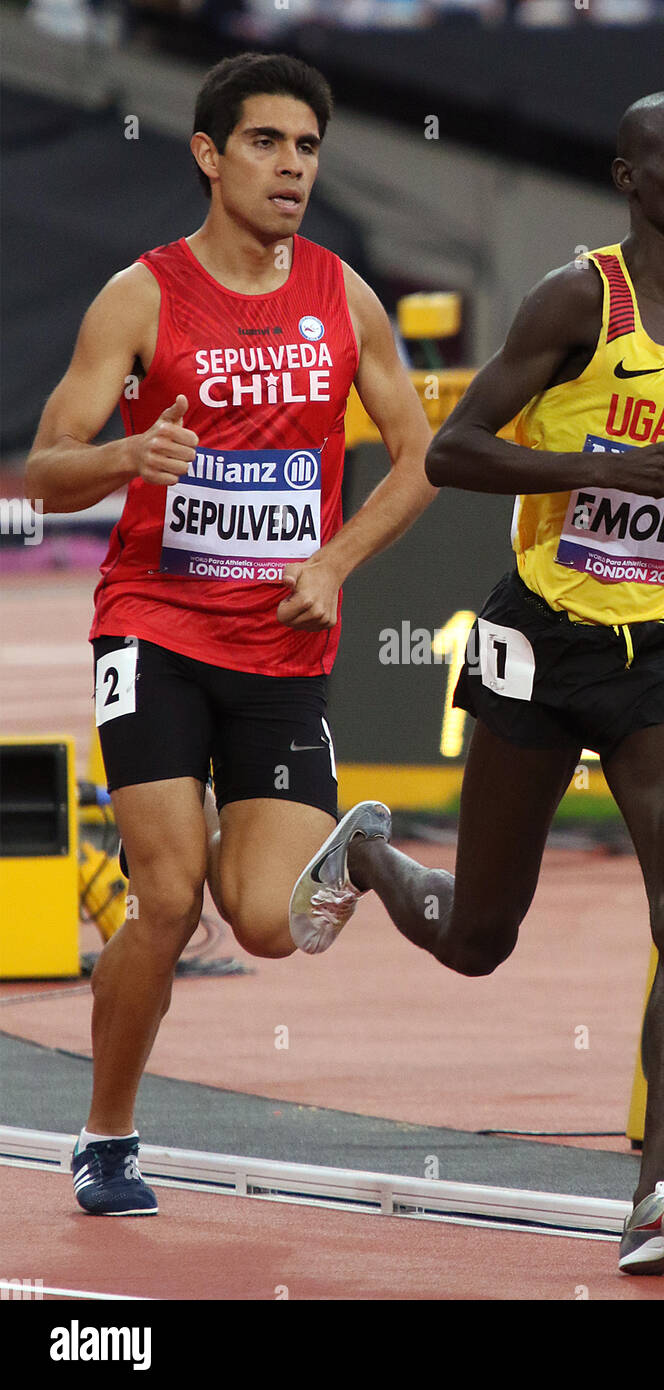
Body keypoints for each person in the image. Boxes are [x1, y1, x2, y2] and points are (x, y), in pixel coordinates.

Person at [289, 90, 664, 1275]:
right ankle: (372, 853)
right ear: (627, 176)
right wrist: (599, 464)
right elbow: (451, 449)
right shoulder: (577, 297)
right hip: (546, 636)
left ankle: (654, 1197)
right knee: (478, 935)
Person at [24, 51, 435, 1215]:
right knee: (167, 900)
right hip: (152, 632)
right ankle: (107, 1136)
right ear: (209, 155)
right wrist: (124, 453)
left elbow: (419, 460)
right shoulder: (140, 296)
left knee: (262, 923)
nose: (292, 167)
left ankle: (338, 851)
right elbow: (47, 469)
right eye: (267, 143)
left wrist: (335, 559)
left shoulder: (343, 295)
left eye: (307, 148)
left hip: (280, 651)